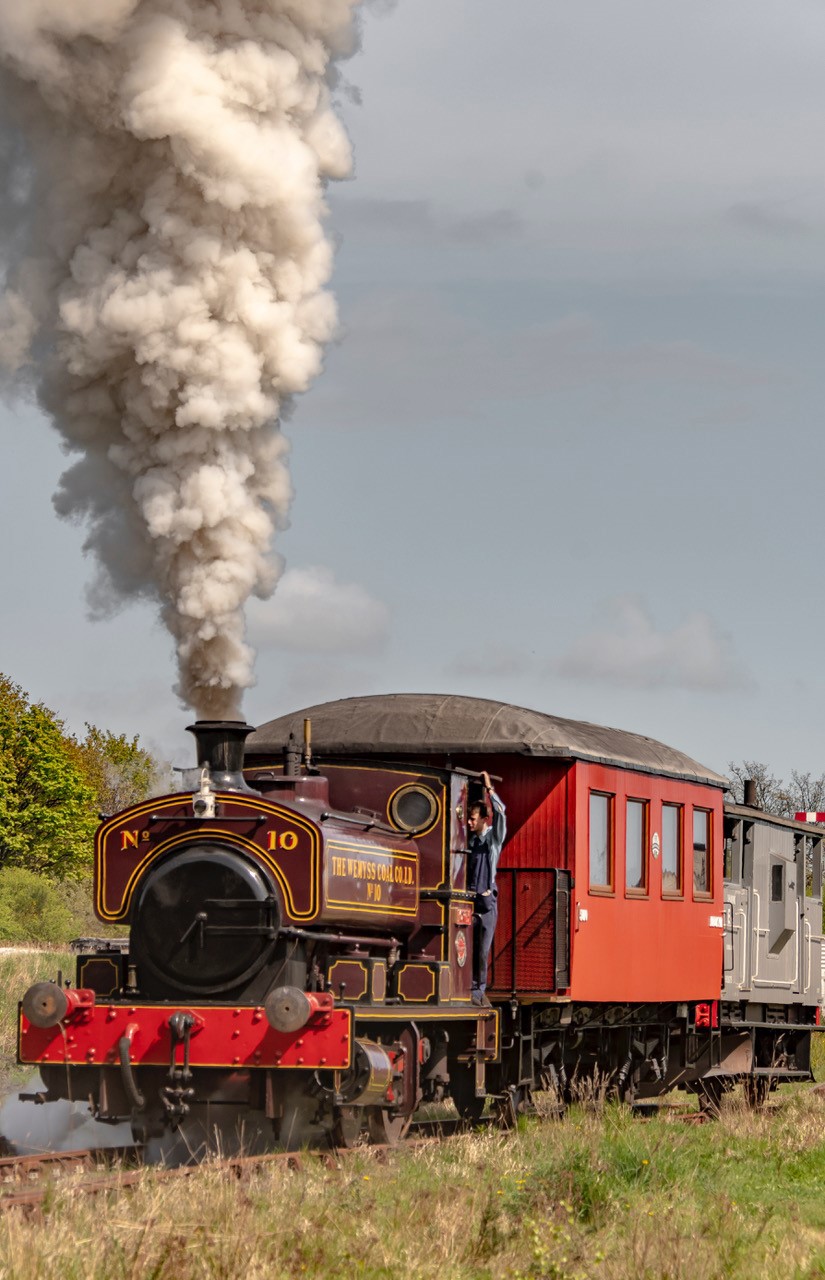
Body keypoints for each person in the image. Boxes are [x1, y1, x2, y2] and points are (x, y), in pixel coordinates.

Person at [467, 771, 506, 1006]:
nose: (470, 823)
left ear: (484, 819)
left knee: (482, 950)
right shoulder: (469, 841)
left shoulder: (493, 839)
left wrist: (490, 790)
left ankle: (479, 989)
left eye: (473, 819)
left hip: (487, 900)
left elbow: (501, 813)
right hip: (470, 897)